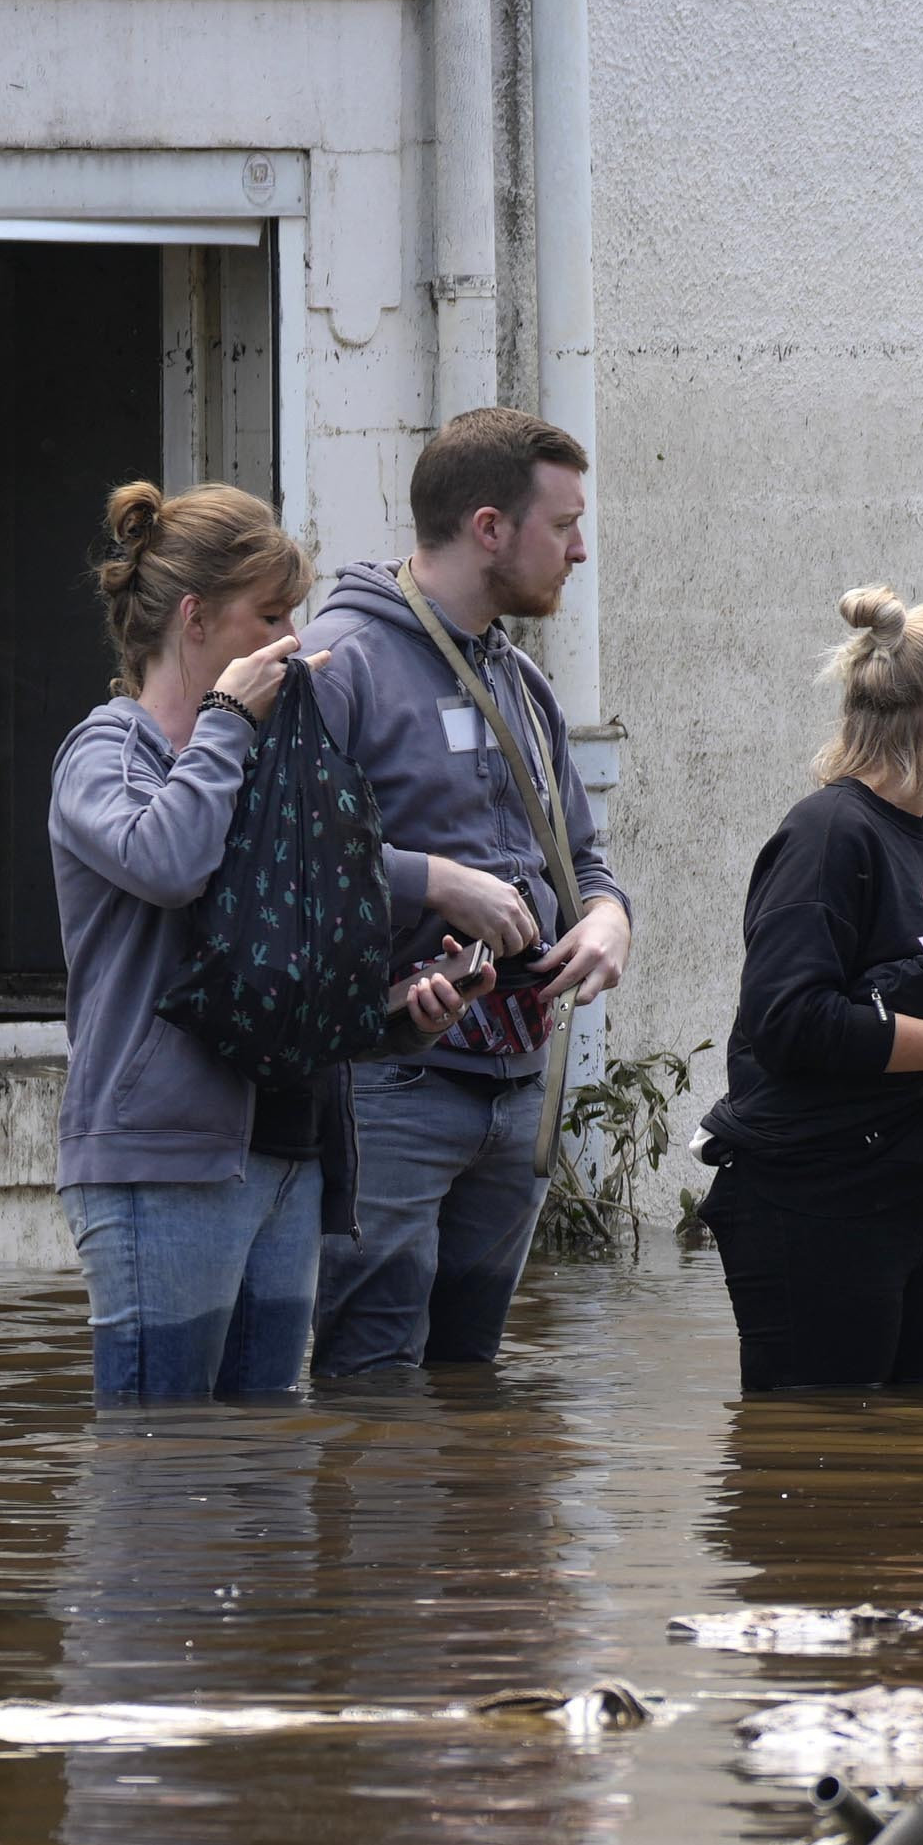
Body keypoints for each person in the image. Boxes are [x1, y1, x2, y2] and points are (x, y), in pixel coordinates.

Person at [48, 482, 473, 1403]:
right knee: (159, 1457)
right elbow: (168, 862)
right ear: (195, 618)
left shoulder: (253, 761)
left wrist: (399, 1012)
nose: (292, 638)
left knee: (265, 1469)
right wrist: (228, 722)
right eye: (270, 615)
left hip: (288, 1154)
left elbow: (274, 978)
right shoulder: (108, 752)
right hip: (161, 1162)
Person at [298, 406, 635, 1372]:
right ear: (489, 528)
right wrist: (438, 882)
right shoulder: (340, 664)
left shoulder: (522, 680)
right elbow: (287, 869)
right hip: (390, 1084)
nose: (578, 552)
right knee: (370, 1387)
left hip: (518, 1087)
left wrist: (608, 917)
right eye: (562, 526)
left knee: (470, 1388)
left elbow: (584, 859)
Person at [694, 588, 923, 1391]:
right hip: (816, 1203)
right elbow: (790, 1019)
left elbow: (915, 1011)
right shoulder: (826, 833)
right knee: (819, 1450)